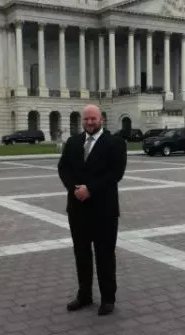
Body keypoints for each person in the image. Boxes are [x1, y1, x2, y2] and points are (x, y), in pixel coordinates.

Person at [58, 104, 127, 316]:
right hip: (78, 209)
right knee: (82, 254)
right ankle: (84, 295)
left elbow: (116, 173)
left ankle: (108, 298)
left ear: (101, 119)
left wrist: (90, 189)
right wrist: (74, 188)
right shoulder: (73, 142)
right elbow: (63, 168)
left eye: (93, 119)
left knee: (105, 255)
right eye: (86, 119)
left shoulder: (115, 143)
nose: (89, 122)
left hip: (104, 210)